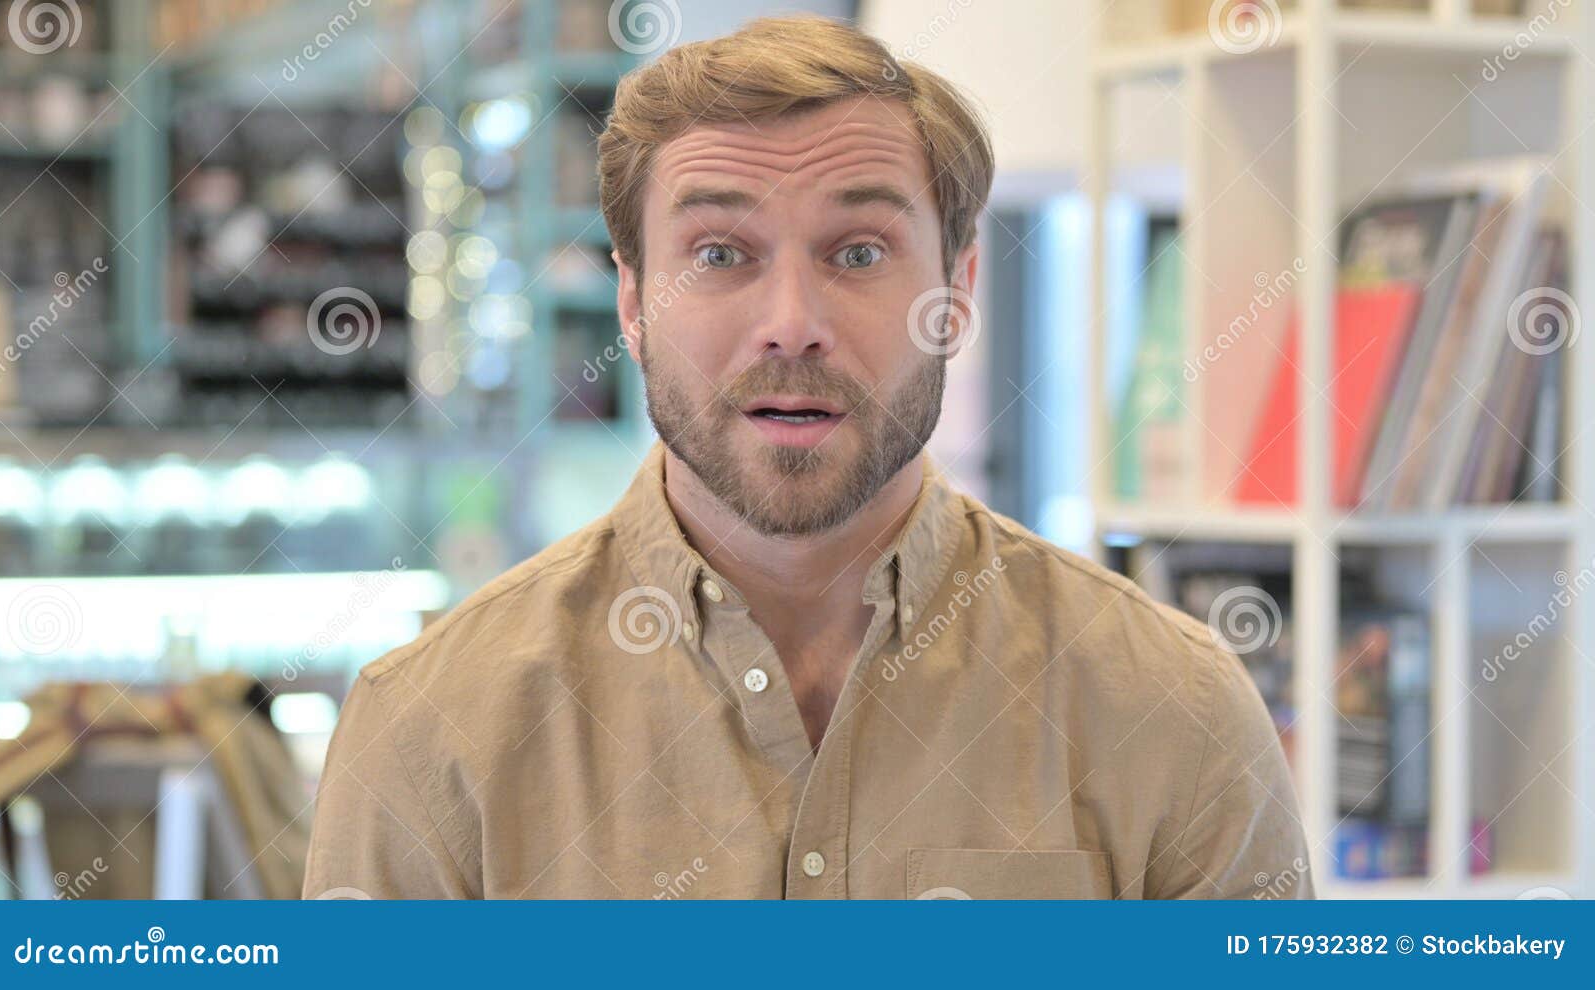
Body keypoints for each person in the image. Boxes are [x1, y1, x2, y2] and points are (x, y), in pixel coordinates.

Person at [302, 15, 1311, 900]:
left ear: (956, 292)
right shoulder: (431, 729)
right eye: (719, 254)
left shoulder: (1171, 710)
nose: (792, 323)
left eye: (858, 252)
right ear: (633, 303)